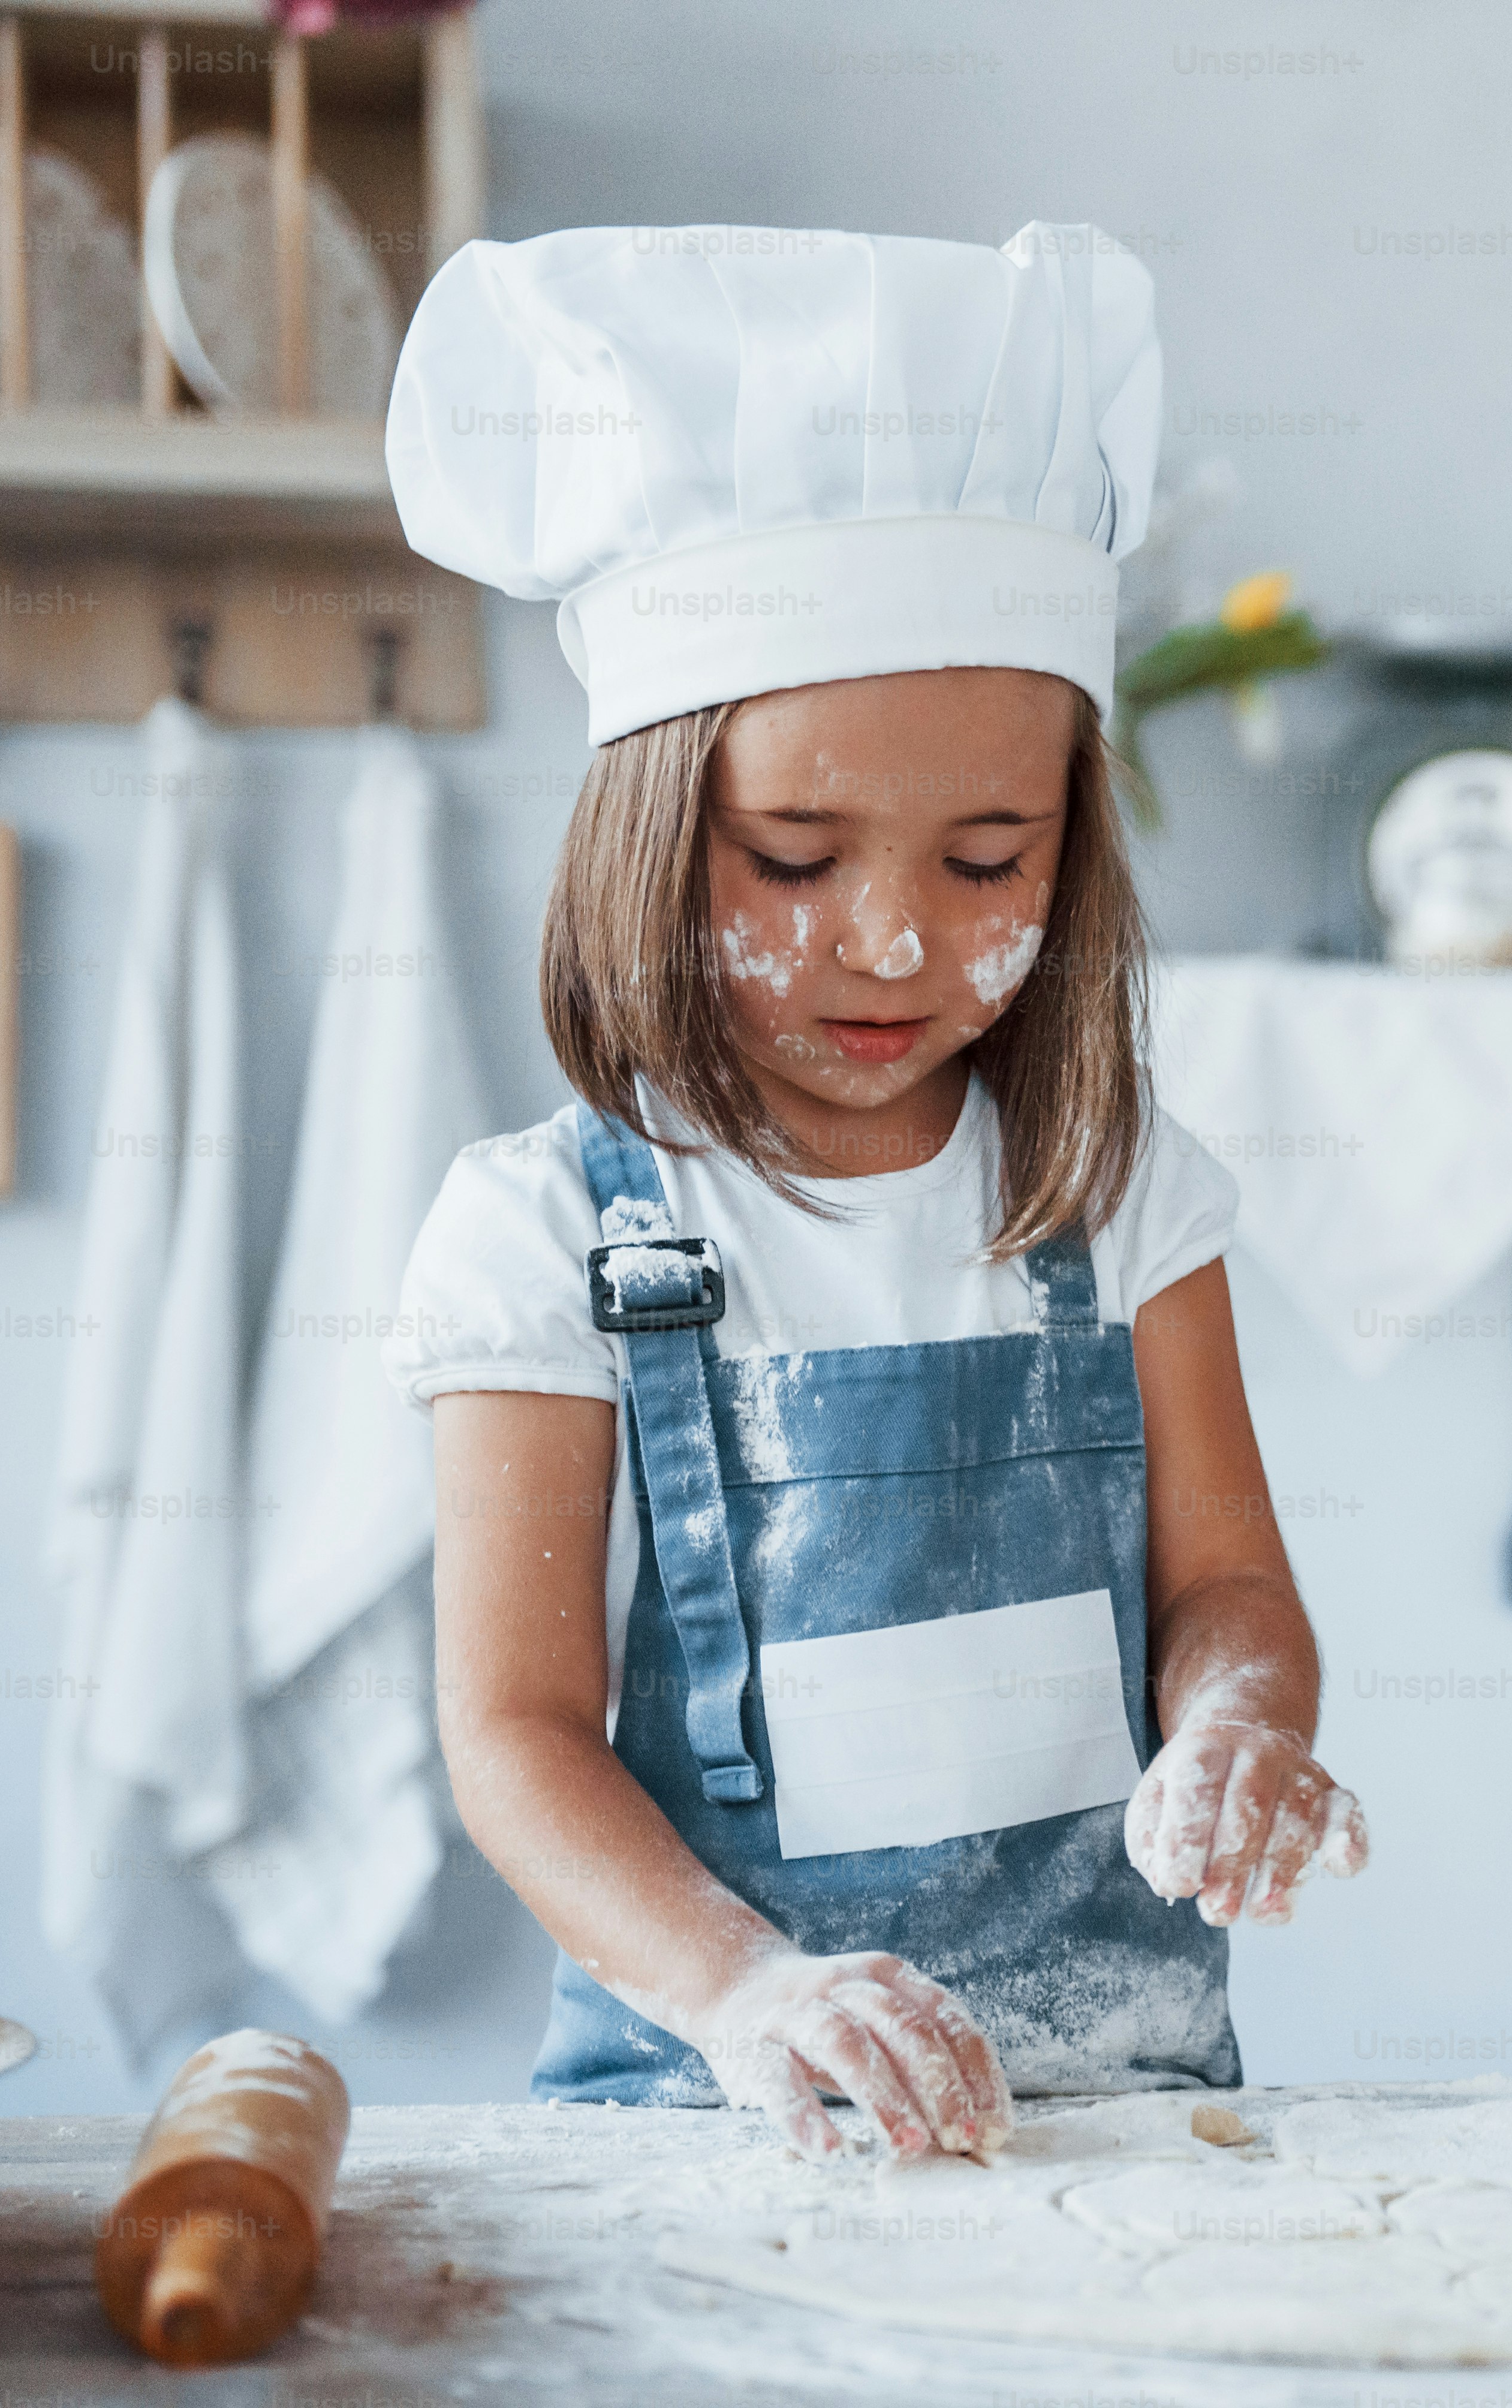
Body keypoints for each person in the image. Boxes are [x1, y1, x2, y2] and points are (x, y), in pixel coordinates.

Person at [378, 220, 1363, 2158]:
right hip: (712, 2120)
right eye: (796, 855)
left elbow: (1232, 1589)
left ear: (1073, 853)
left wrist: (1245, 1719)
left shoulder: (1121, 1192)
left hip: (1127, 2121)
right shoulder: (549, 1234)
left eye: (990, 860)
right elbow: (514, 1735)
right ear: (658, 828)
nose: (896, 944)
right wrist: (746, 1986)